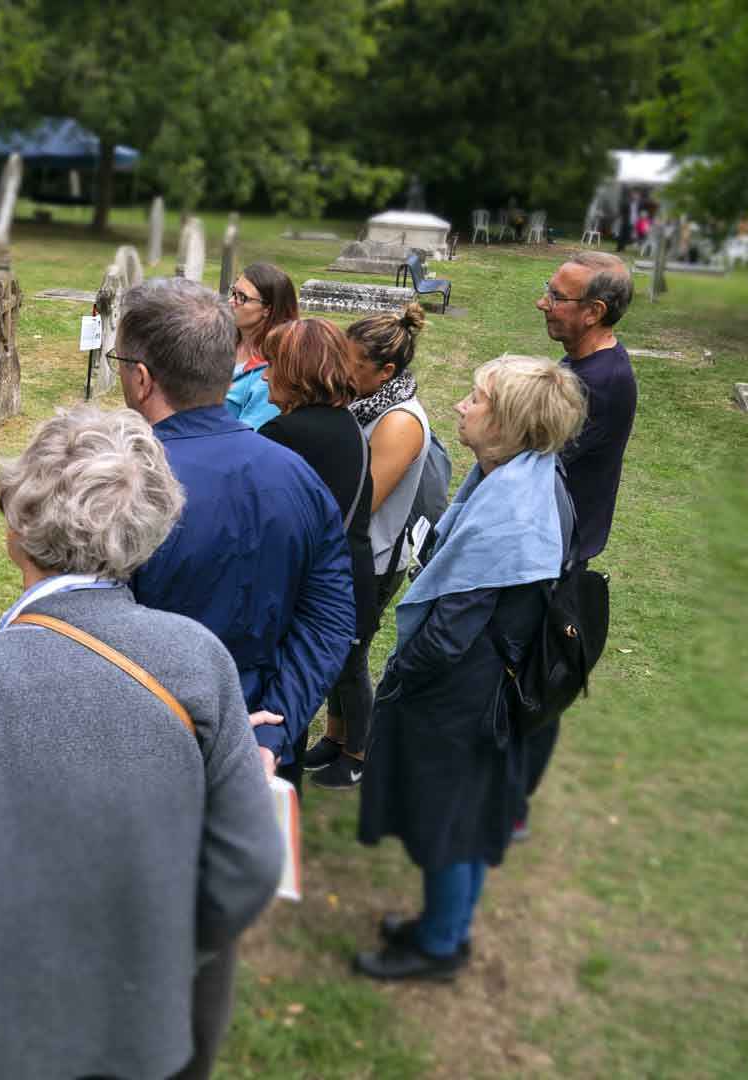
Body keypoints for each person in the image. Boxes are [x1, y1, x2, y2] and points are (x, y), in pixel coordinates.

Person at [0, 405, 283, 1080]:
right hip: (127, 1039)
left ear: (17, 528)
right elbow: (247, 868)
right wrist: (148, 946)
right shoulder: (199, 661)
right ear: (149, 528)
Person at [354, 356, 587, 981]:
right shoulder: (527, 478)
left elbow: (450, 634)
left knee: (448, 823)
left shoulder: (511, 516)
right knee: (469, 814)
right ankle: (446, 928)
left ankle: (439, 946)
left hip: (466, 697)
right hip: (492, 686)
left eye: (478, 398)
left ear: (509, 424)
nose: (461, 405)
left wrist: (401, 683)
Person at [119, 277, 355, 784]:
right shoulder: (299, 478)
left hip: (147, 754)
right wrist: (275, 725)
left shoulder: (122, 485)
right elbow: (329, 620)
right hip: (259, 750)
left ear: (141, 378)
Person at [520, 252, 638, 833]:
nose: (543, 302)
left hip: (555, 557)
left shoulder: (602, 385)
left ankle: (509, 803)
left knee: (539, 681)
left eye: (556, 296)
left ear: (594, 311)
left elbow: (535, 456)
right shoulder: (583, 368)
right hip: (545, 545)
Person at [302, 304, 432, 788]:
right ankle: (336, 737)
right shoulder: (365, 404)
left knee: (350, 656)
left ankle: (360, 750)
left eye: (353, 361)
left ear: (386, 371)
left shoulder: (399, 421)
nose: (342, 368)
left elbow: (365, 499)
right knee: (338, 653)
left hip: (374, 559)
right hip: (351, 552)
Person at [255, 319, 377, 791]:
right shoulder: (347, 424)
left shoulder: (283, 436)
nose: (265, 376)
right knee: (297, 709)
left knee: (275, 717)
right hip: (343, 587)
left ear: (294, 372)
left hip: (298, 599)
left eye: (272, 366)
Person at [223, 263, 299, 429]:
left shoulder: (274, 369)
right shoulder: (220, 344)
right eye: (233, 293)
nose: (231, 301)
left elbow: (253, 434)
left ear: (267, 309)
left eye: (241, 297)